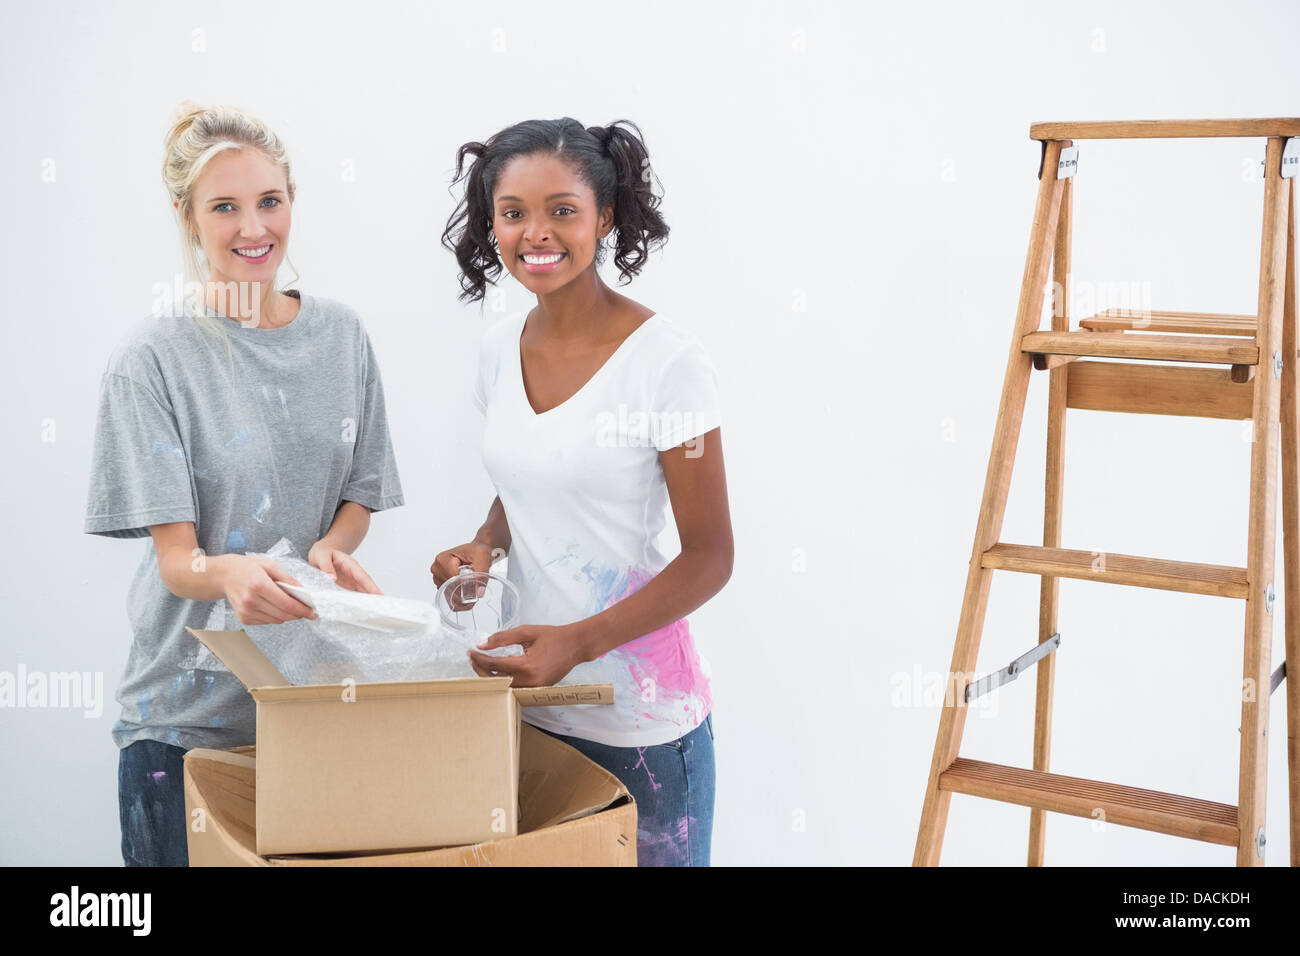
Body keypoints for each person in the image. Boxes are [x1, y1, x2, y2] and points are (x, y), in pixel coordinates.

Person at [84, 103, 404, 866]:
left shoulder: (343, 336)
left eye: (270, 201)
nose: (252, 227)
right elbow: (177, 561)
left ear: (293, 200)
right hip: (187, 727)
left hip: (315, 714)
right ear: (187, 218)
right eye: (224, 207)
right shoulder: (152, 360)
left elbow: (360, 494)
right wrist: (227, 574)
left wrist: (330, 548)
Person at [433, 118, 733, 866]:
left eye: (562, 209)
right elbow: (530, 480)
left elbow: (711, 557)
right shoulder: (498, 351)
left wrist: (578, 643)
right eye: (513, 213)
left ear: (604, 216)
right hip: (531, 711)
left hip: (640, 727)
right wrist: (485, 546)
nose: (537, 233)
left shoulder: (668, 365)